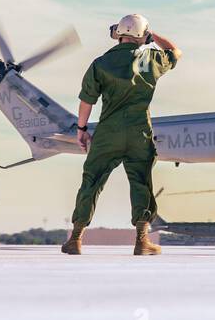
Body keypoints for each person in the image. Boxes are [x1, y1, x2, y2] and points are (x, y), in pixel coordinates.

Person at [63, 14, 180, 256]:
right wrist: (151, 36)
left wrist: (81, 130)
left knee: (91, 182)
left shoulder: (101, 63)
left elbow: (87, 100)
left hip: (108, 133)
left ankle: (75, 239)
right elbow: (175, 51)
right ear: (142, 35)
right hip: (140, 132)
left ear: (117, 33)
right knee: (141, 182)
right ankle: (142, 241)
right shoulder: (151, 58)